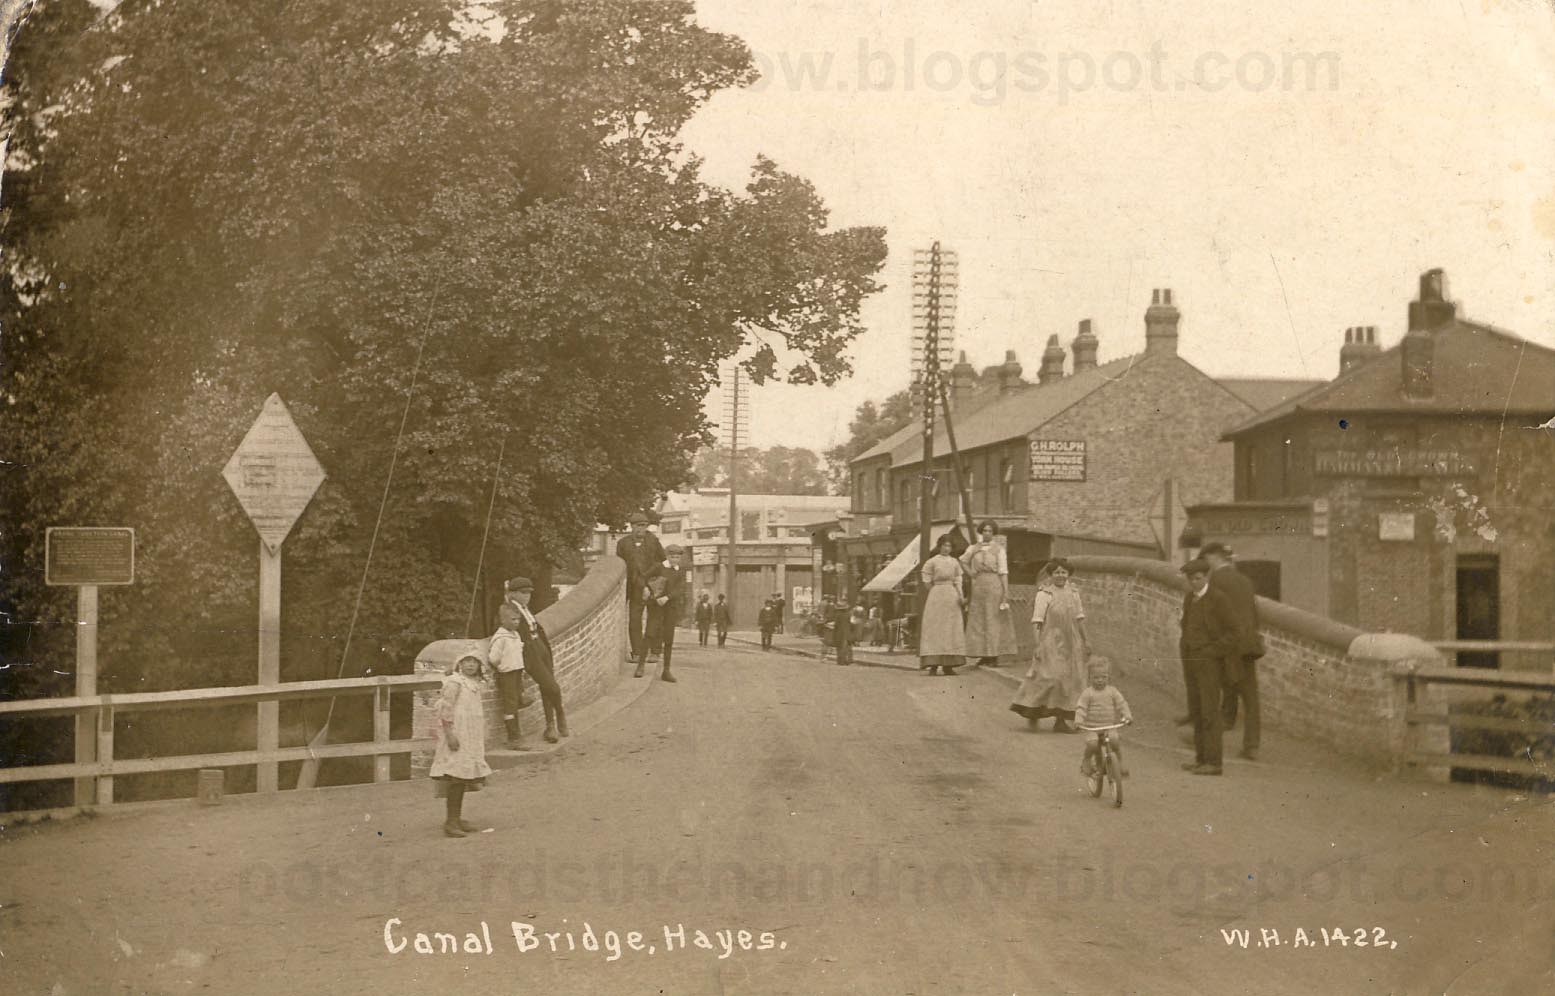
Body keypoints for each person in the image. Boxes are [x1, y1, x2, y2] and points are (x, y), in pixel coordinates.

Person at [1009, 559, 1090, 731]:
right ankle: (1032, 711)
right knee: (1049, 678)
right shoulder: (1044, 594)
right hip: (1050, 641)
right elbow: (1037, 622)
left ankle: (1060, 721)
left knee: (1069, 681)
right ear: (1051, 575)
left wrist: (1085, 640)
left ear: (1068, 574)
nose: (1061, 576)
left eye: (1064, 572)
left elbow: (1079, 618)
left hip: (1071, 641)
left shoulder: (1074, 592)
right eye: (1057, 573)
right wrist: (1038, 645)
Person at [1202, 542, 1264, 761]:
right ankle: (1252, 745)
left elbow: (1213, 615)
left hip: (1228, 644)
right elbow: (1254, 614)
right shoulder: (1245, 581)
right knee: (1249, 695)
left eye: (1207, 558)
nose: (1207, 563)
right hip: (1248, 644)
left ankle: (1207, 737)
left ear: (1214, 558)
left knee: (1213, 687)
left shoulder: (1216, 580)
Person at [1179, 558, 1240, 776]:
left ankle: (1214, 762)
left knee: (1209, 712)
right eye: (1190, 579)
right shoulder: (1190, 599)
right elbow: (1186, 627)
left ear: (1207, 577)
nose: (1194, 583)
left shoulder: (1218, 600)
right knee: (1196, 709)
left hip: (1210, 665)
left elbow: (1234, 632)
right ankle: (1201, 759)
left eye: (1198, 578)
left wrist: (1211, 652)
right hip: (1191, 663)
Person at [430, 650, 493, 838]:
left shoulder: (473, 684)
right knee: (456, 776)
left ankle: (457, 818)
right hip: (457, 734)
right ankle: (451, 821)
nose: (471, 665)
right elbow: (445, 709)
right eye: (467, 661)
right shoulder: (455, 682)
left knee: (463, 775)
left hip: (469, 736)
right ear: (459, 664)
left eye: (474, 662)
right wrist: (450, 734)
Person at [502, 577, 567, 742]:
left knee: (547, 687)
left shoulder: (524, 608)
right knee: (552, 687)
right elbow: (507, 627)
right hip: (529, 653)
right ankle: (560, 713)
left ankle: (550, 726)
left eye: (529, 593)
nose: (527, 596)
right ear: (513, 593)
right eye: (523, 593)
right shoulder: (510, 608)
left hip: (541, 646)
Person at [960, 520, 1016, 666]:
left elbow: (1003, 572)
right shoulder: (973, 548)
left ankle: (994, 655)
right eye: (984, 530)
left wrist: (1005, 592)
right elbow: (963, 561)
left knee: (993, 620)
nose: (987, 533)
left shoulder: (999, 550)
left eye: (990, 531)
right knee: (979, 621)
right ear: (980, 532)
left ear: (994, 533)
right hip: (978, 586)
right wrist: (971, 573)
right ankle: (983, 654)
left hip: (994, 585)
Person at [616, 512, 665, 668]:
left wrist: (652, 584)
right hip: (634, 587)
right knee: (634, 620)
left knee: (654, 618)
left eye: (644, 526)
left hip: (652, 585)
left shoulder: (653, 541)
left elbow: (661, 562)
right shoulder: (623, 544)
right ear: (632, 527)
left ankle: (655, 651)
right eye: (638, 526)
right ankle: (637, 652)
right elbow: (620, 567)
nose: (641, 529)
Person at [1074, 656, 1133, 777]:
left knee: (1115, 741)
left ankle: (1120, 762)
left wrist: (1127, 715)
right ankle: (1086, 759)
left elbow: (1122, 704)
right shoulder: (1088, 693)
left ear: (1108, 677)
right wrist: (1079, 721)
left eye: (1103, 677)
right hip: (1092, 728)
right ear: (1090, 678)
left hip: (1109, 726)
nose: (1100, 680)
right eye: (1096, 677)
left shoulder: (1112, 691)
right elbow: (1081, 708)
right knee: (1092, 744)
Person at [918, 533, 967, 676]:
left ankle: (948, 666)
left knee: (950, 629)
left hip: (951, 596)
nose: (946, 548)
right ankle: (932, 665)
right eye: (944, 545)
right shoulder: (932, 562)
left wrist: (960, 597)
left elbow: (958, 581)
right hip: (936, 596)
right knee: (935, 628)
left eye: (949, 546)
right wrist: (934, 591)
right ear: (939, 546)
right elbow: (926, 580)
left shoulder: (955, 562)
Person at [642, 545, 687, 682]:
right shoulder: (659, 567)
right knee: (649, 633)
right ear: (667, 556)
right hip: (656, 606)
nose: (675, 559)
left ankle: (666, 671)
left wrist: (667, 598)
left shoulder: (680, 571)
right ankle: (640, 666)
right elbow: (643, 577)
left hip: (670, 607)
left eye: (678, 557)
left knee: (668, 638)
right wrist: (645, 589)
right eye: (672, 556)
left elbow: (680, 589)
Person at [486, 610, 527, 749]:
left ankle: (517, 734)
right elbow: (493, 658)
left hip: (517, 671)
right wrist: (502, 666)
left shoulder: (515, 635)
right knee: (510, 706)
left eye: (518, 620)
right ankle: (513, 738)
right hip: (507, 674)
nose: (516, 622)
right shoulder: (501, 638)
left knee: (515, 703)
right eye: (512, 619)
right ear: (503, 620)